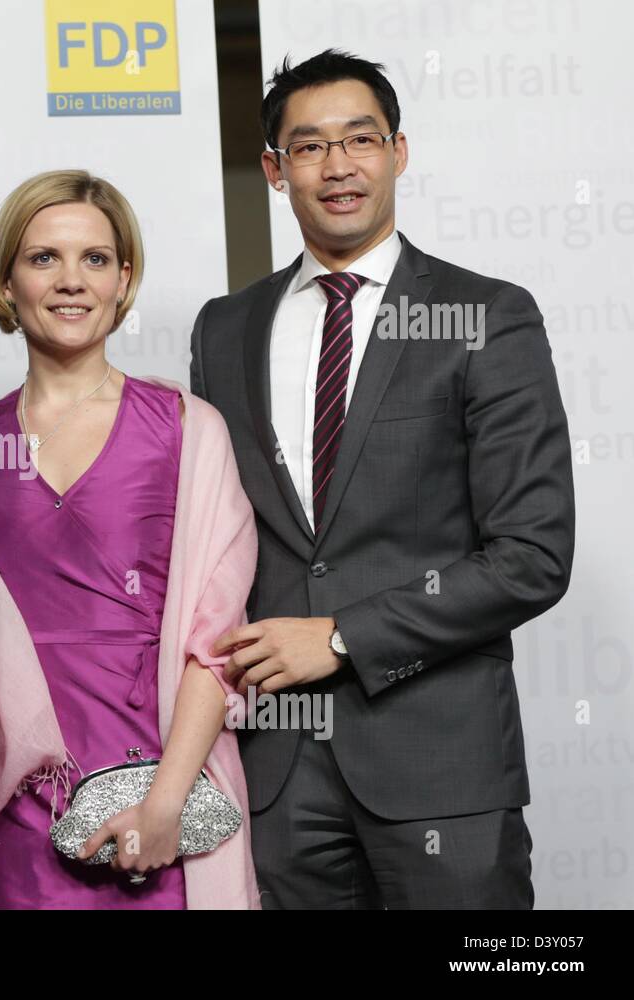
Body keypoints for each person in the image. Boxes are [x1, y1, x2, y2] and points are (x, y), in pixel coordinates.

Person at [189, 49, 574, 908]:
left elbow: (531, 556)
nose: (339, 166)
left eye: (360, 139)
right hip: (275, 773)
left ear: (398, 151)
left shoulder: (486, 316)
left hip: (442, 764)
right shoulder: (224, 330)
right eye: (311, 146)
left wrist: (335, 637)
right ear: (273, 169)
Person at [0, 170, 260, 909]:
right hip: (10, 819)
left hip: (164, 807)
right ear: (6, 281)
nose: (70, 281)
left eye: (94, 259)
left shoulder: (187, 429)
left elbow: (215, 647)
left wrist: (165, 805)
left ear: (124, 280)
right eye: (43, 258)